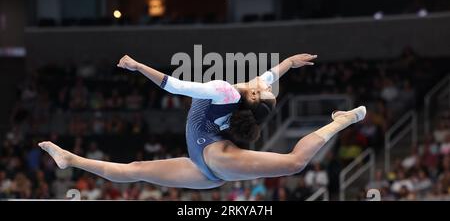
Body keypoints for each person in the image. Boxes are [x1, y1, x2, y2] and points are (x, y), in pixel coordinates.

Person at [39, 53, 366, 190]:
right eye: (266, 86)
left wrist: (138, 67)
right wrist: (288, 64)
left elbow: (176, 85)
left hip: (215, 159)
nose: (265, 82)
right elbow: (265, 79)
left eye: (264, 89)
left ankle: (340, 121)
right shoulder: (244, 95)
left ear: (252, 97)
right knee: (134, 169)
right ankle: (70, 159)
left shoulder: (223, 91)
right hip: (203, 167)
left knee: (295, 163)